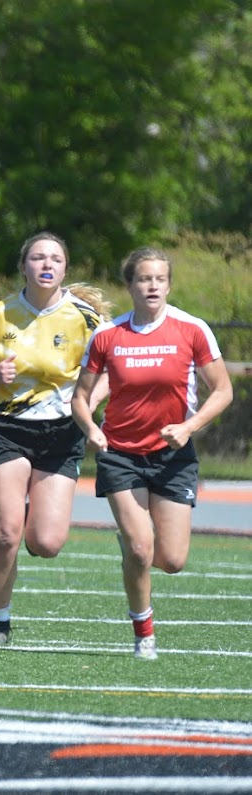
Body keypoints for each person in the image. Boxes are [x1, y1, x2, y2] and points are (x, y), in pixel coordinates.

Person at [71, 247, 232, 661]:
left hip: (174, 455)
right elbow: (81, 397)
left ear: (169, 284)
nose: (153, 285)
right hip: (120, 453)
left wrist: (188, 427)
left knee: (172, 560)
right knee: (142, 548)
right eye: (144, 278)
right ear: (130, 285)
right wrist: (90, 428)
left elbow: (223, 390)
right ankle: (144, 632)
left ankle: (132, 546)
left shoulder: (191, 329)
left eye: (160, 278)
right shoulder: (108, 336)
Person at [0, 231, 112, 646]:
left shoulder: (86, 317)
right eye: (37, 258)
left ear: (65, 268)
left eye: (55, 259)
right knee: (6, 534)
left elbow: (110, 373)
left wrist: (86, 410)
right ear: (23, 266)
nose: (46, 265)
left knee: (46, 543)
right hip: (7, 430)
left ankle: (28, 509)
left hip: (62, 434)